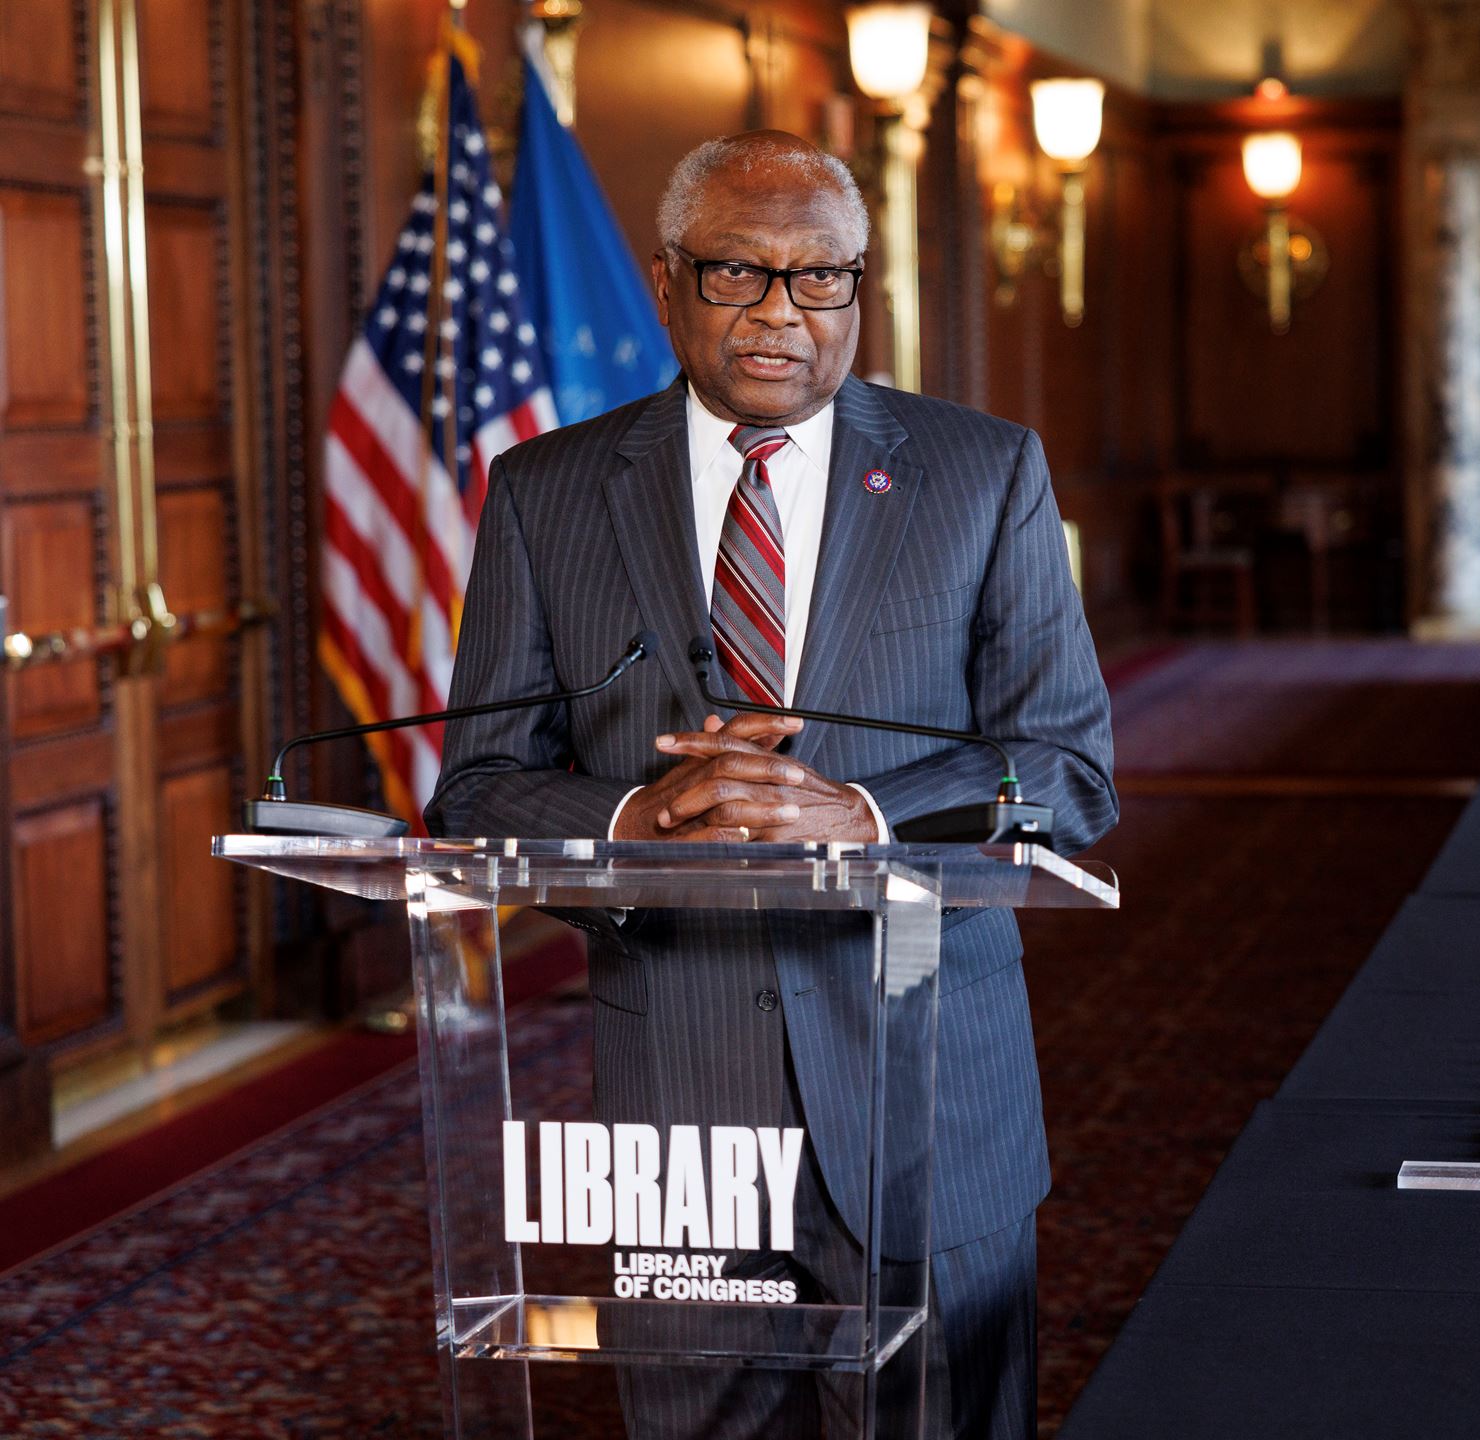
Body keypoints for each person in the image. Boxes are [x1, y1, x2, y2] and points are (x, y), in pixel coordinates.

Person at [425, 131, 1116, 1439]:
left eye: (823, 280)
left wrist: (860, 813)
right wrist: (641, 815)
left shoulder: (981, 473)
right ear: (668, 280)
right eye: (741, 274)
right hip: (682, 1087)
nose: (783, 316)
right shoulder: (548, 491)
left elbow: (1068, 772)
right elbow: (477, 790)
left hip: (926, 1084)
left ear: (862, 287)